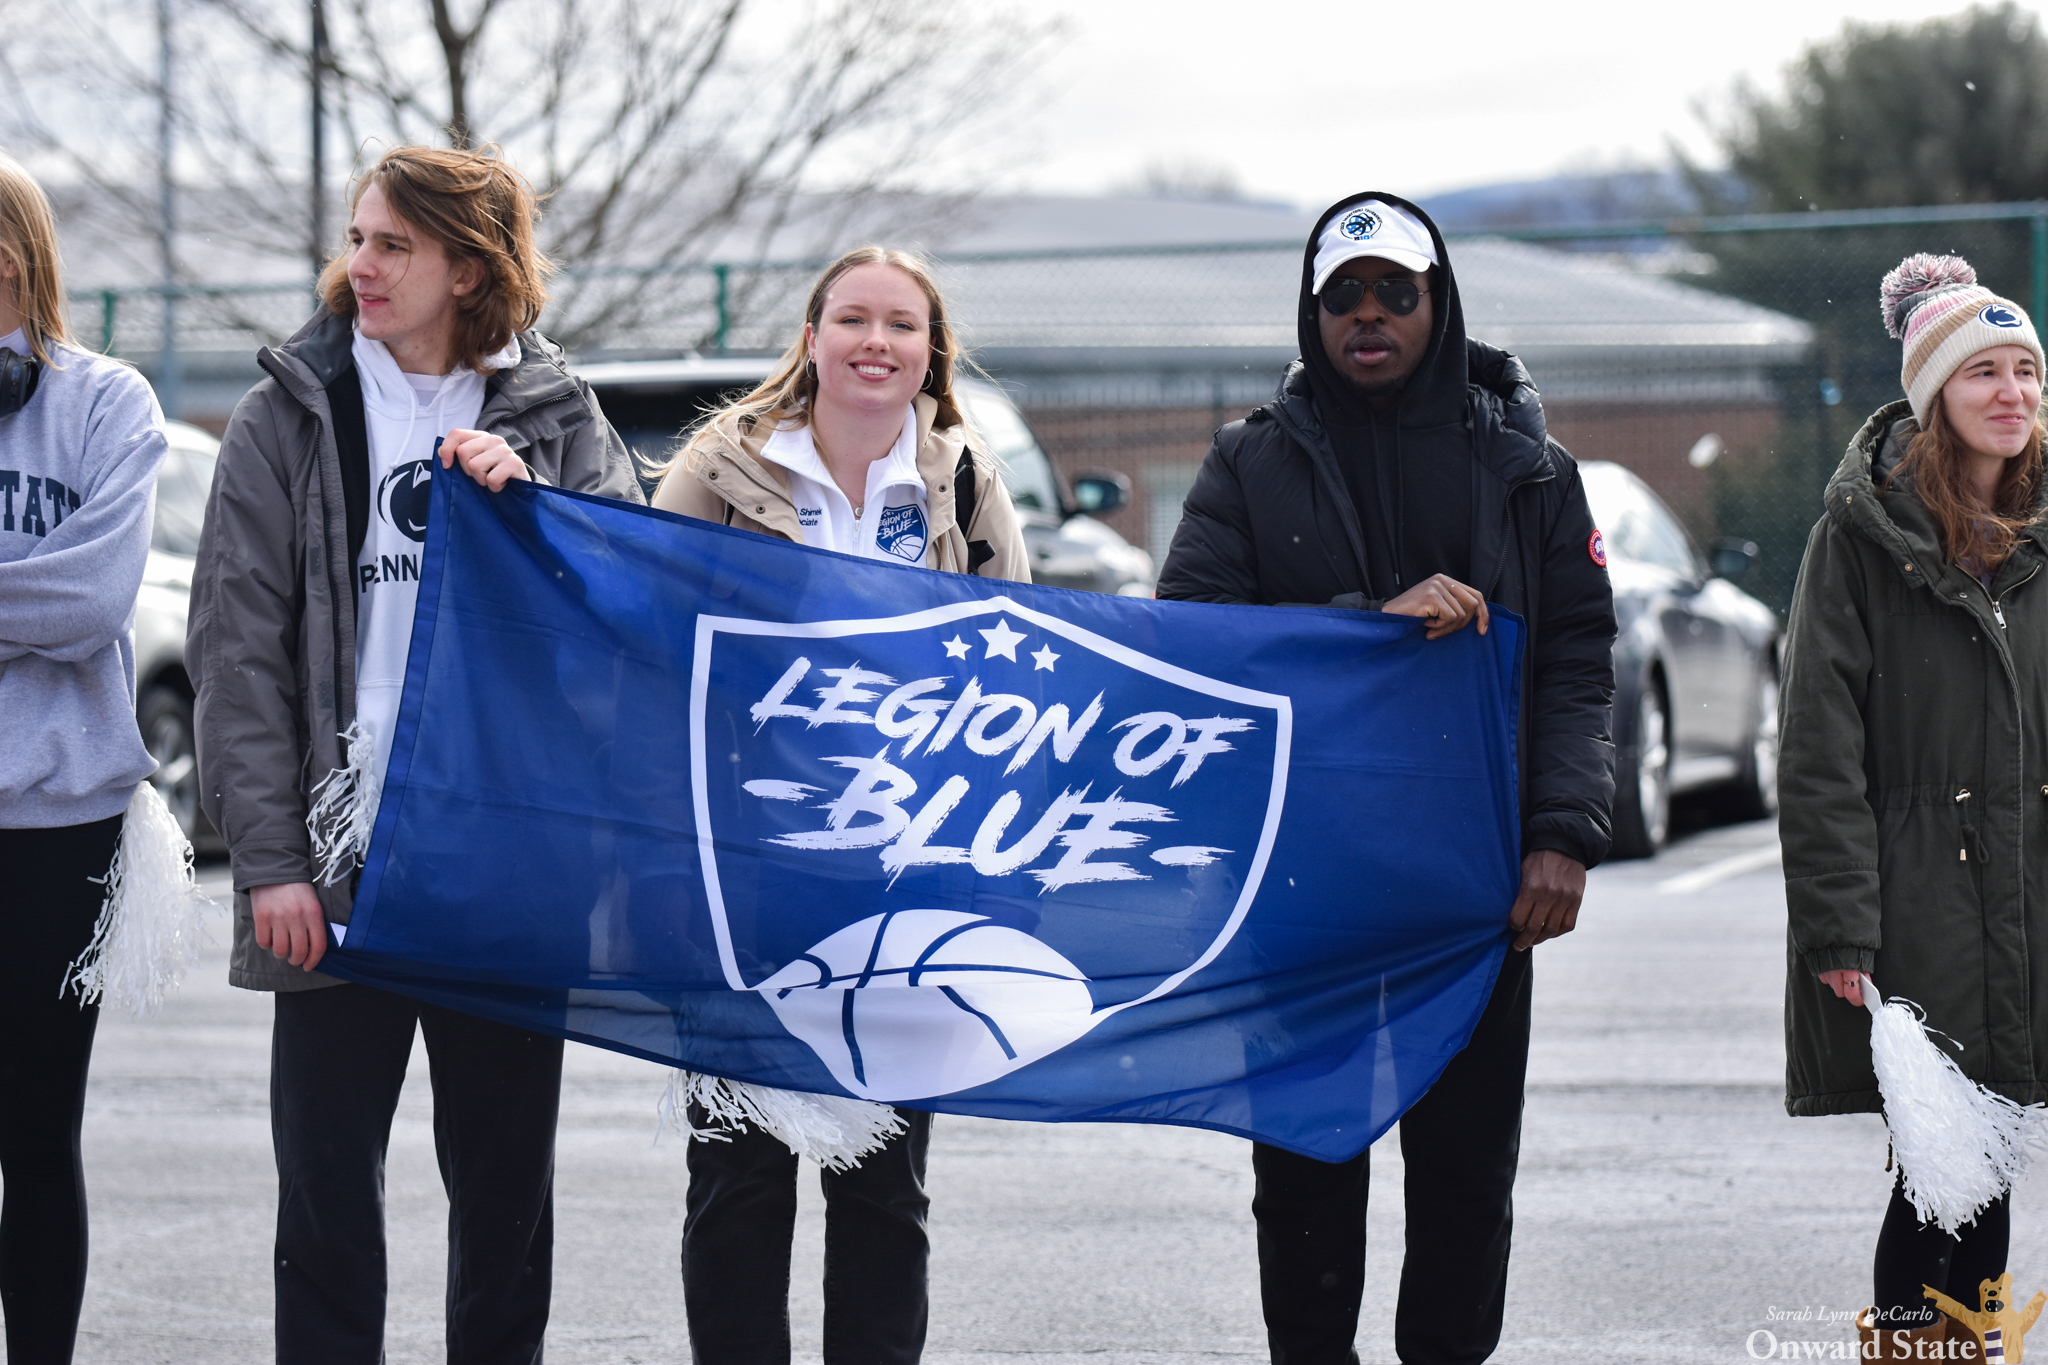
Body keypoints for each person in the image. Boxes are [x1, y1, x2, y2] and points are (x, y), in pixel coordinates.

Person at [187, 144, 639, 1364]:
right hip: (336, 870)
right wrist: (270, 862)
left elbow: (624, 622)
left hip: (502, 866)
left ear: (468, 265)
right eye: (356, 238)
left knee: (503, 1211)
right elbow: (236, 655)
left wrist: (537, 510)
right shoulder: (286, 413)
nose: (361, 265)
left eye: (394, 243)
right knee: (325, 1202)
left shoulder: (556, 416)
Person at [1157, 192, 1617, 1364]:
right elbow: (1194, 647)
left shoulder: (1524, 466)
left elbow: (1573, 660)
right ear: (1312, 313)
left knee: (1464, 1185)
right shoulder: (1247, 459)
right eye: (1342, 296)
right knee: (1307, 1172)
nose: (1368, 316)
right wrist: (1368, 625)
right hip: (1301, 889)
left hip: (1469, 888)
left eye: (1393, 293)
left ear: (1436, 299)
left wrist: (1560, 833)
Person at [652, 244, 1028, 1364]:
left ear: (929, 353)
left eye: (901, 325)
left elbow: (1015, 671)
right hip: (741, 877)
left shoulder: (962, 481)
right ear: (811, 336)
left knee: (882, 1184)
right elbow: (643, 628)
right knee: (737, 1178)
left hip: (903, 881)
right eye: (852, 319)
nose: (876, 342)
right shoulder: (719, 468)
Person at [1779, 254, 2048, 1361]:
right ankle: (1915, 1350)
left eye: (2026, 371)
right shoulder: (1859, 537)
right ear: (1933, 393)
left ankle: (1964, 1348)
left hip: (2023, 891)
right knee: (1944, 1171)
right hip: (1915, 900)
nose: (2010, 394)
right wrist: (1840, 923)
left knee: (1985, 1170)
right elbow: (1816, 746)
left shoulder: (2039, 534)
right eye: (1981, 371)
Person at [0, 152, 169, 1365]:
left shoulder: (109, 404)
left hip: (61, 824)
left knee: (36, 1127)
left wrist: (44, 602)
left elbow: (90, 602)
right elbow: (43, 603)